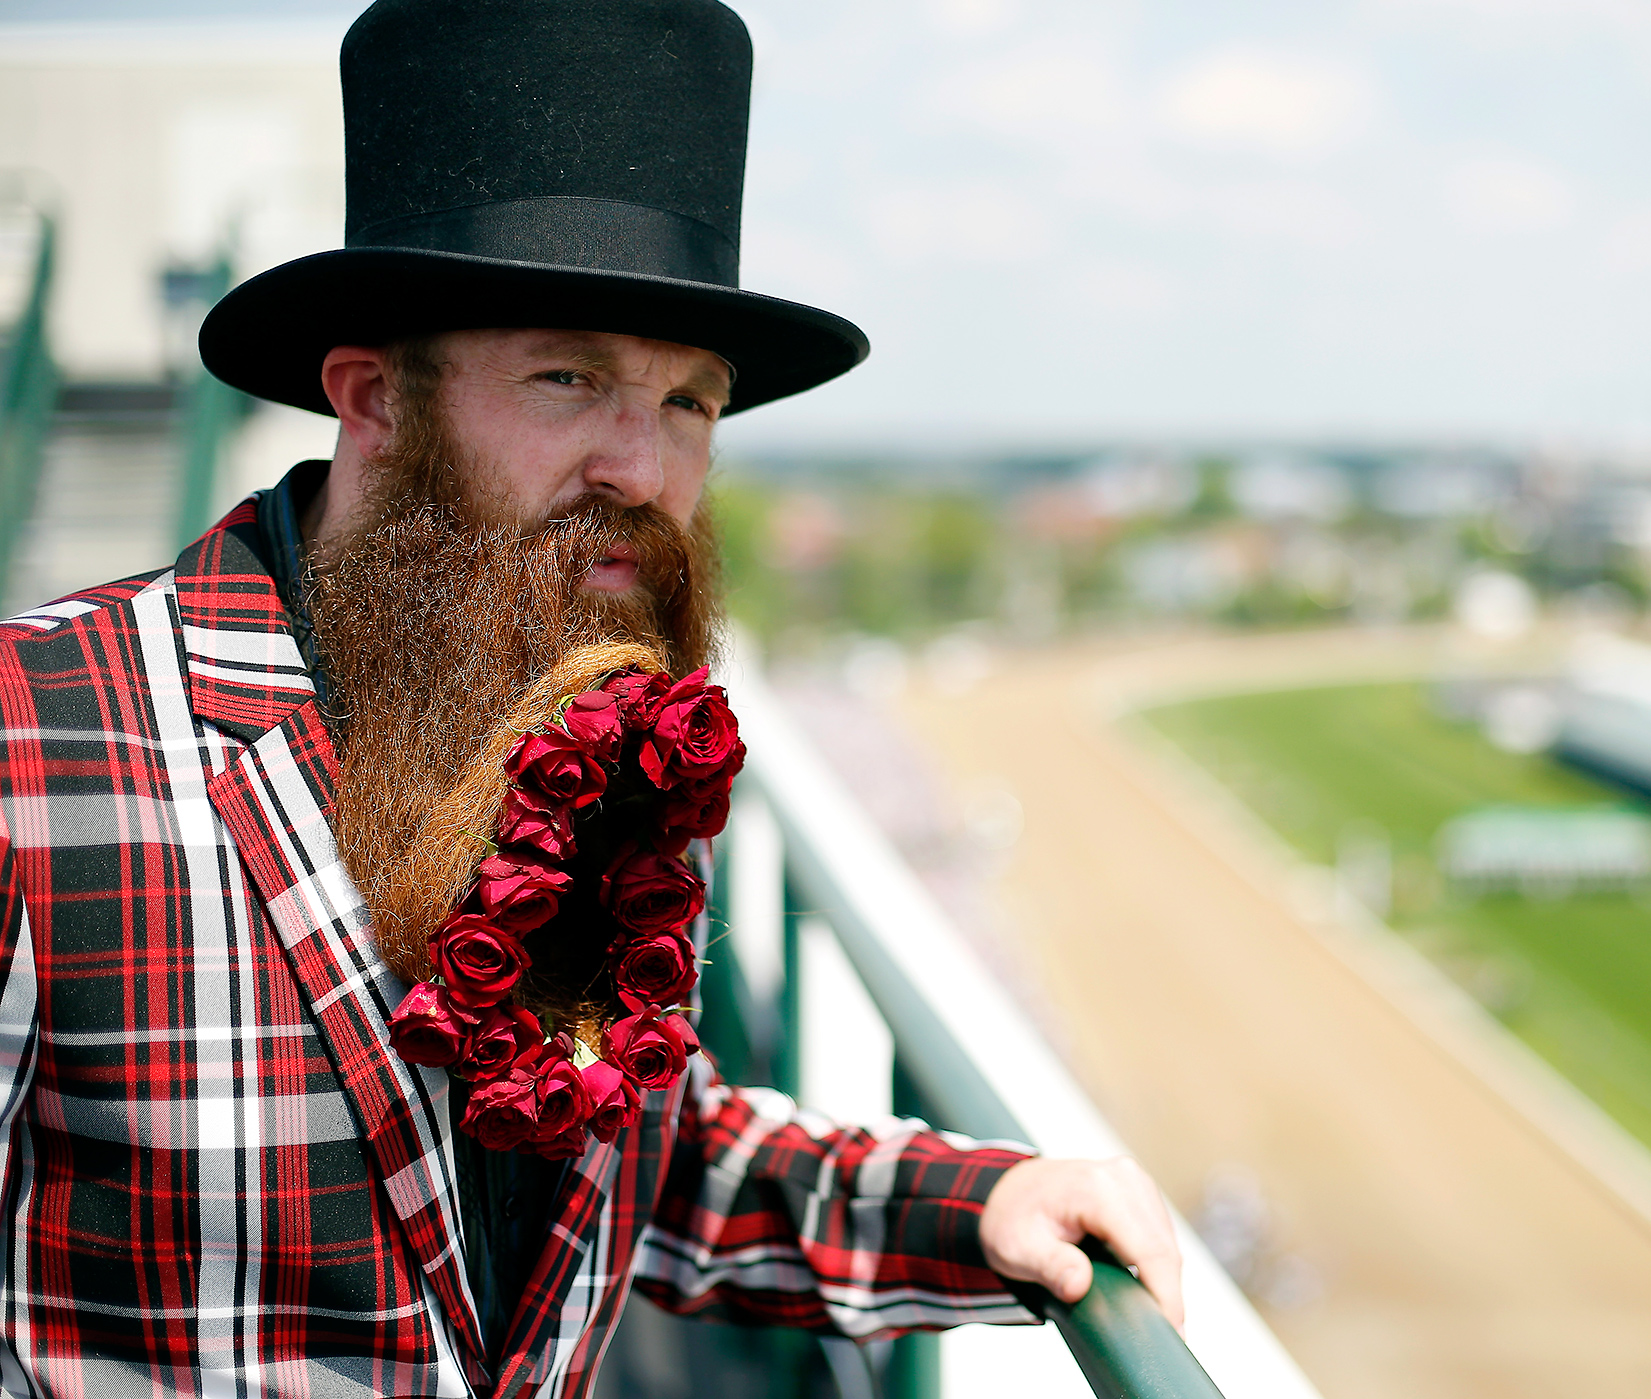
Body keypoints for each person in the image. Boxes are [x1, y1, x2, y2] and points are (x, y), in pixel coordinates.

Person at [0, 2, 1182, 1396]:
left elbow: (624, 1161)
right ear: (372, 400)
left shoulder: (570, 734)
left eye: (690, 403)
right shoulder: (38, 739)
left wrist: (963, 1209)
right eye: (571, 378)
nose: (644, 464)